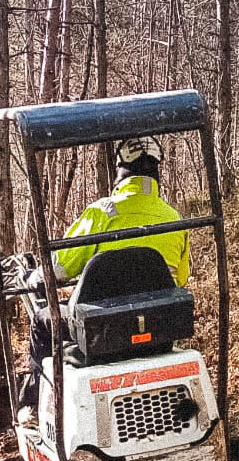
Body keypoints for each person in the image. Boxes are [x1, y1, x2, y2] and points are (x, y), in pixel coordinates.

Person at [16, 137, 190, 426]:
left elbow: (57, 268)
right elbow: (179, 278)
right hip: (157, 329)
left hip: (103, 333)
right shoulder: (174, 218)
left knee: (41, 321)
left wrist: (33, 277)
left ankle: (33, 406)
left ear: (120, 172)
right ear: (156, 173)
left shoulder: (102, 213)